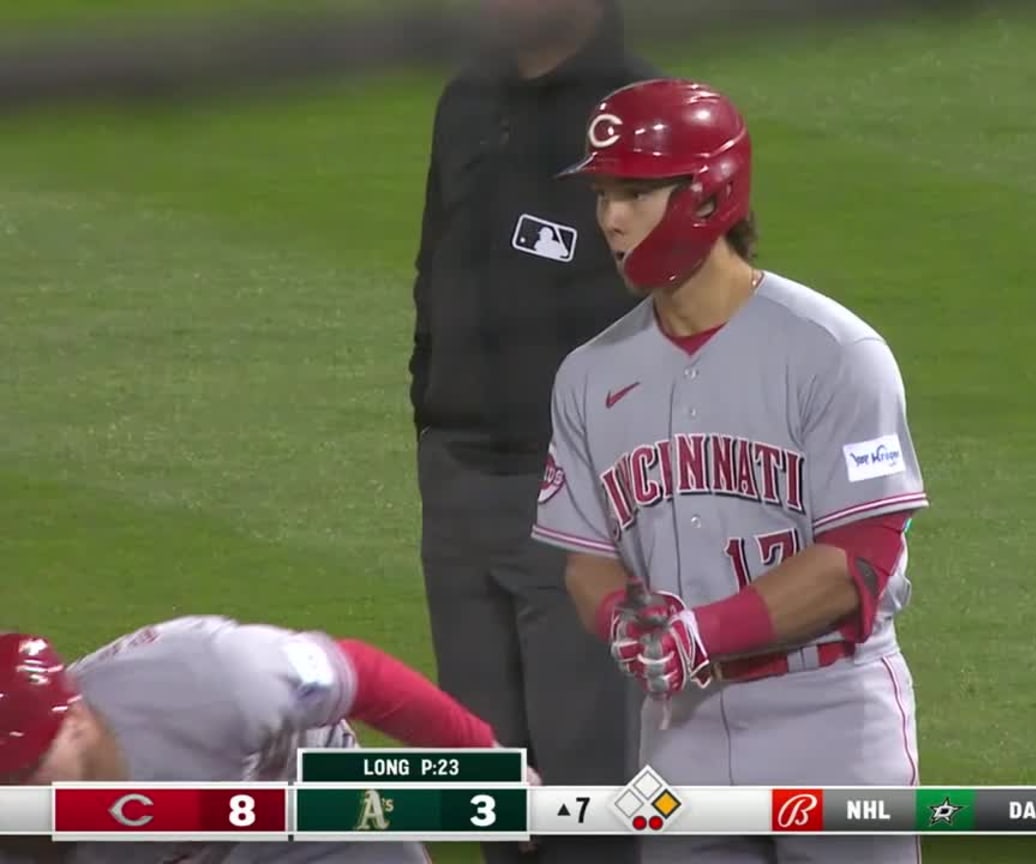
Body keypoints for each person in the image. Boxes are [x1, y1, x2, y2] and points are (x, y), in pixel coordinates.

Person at [532, 78, 927, 864]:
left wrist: (700, 634)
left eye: (637, 191)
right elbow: (587, 556)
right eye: (605, 191)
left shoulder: (833, 353)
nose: (610, 217)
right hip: (681, 733)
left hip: (830, 718)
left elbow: (860, 558)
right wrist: (623, 619)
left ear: (710, 193)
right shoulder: (588, 374)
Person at [408, 1, 655, 861]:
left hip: (574, 504)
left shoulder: (642, 115)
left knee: (587, 805)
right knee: (487, 800)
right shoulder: (467, 95)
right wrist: (429, 418)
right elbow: (431, 267)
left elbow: (675, 316)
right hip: (456, 482)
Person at [0, 615, 533, 863]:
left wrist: (488, 765)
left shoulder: (211, 677)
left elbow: (364, 677)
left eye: (23, 772)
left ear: (74, 723)